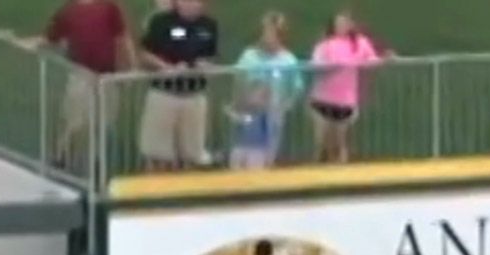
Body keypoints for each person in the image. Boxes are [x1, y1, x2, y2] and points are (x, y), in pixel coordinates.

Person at [26, 0, 136, 173]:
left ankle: (95, 162)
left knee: (103, 122)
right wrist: (26, 43)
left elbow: (122, 38)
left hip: (106, 75)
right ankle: (60, 156)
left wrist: (130, 67)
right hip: (80, 74)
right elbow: (49, 38)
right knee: (75, 120)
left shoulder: (109, 7)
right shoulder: (68, 10)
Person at [137, 0, 219, 172]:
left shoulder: (209, 25)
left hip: (194, 96)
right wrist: (166, 68)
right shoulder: (161, 21)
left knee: (192, 154)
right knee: (157, 153)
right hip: (164, 94)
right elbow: (144, 54)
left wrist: (205, 65)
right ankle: (154, 191)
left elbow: (210, 55)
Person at [309, 11, 389, 164]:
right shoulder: (324, 45)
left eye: (345, 22)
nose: (342, 26)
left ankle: (340, 172)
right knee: (322, 141)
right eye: (338, 23)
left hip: (346, 100)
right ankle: (319, 170)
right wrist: (329, 68)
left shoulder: (360, 43)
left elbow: (371, 60)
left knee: (341, 141)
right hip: (323, 98)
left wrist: (384, 60)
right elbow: (315, 65)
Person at [228, 12, 304, 169]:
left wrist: (284, 106)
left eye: (273, 32)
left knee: (265, 158)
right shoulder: (249, 56)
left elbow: (296, 87)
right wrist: (245, 101)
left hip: (272, 117)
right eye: (266, 31)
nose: (268, 36)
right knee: (240, 156)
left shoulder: (288, 60)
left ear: (281, 35)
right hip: (247, 115)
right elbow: (238, 82)